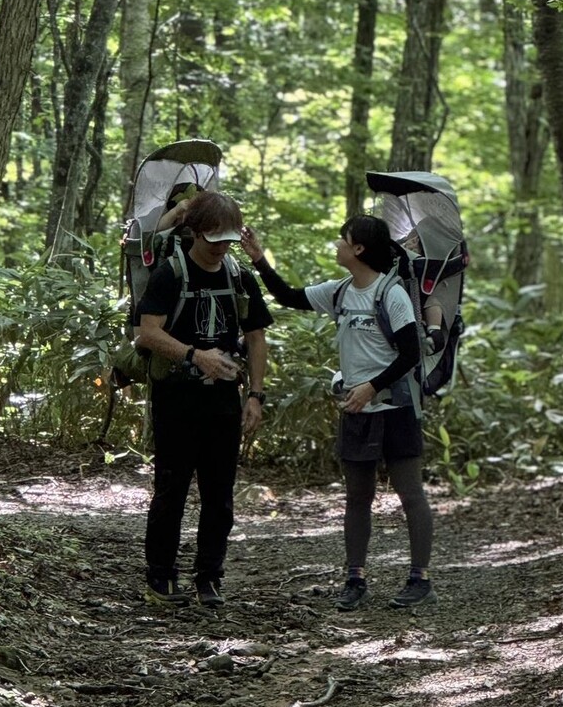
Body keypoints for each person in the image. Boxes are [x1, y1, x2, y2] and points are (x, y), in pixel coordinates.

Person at [239, 216, 436, 611]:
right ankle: (355, 578)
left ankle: (420, 578)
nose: (337, 244)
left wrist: (371, 387)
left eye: (342, 239)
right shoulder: (341, 292)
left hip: (394, 408)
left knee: (410, 493)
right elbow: (289, 296)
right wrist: (258, 258)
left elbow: (411, 353)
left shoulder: (390, 294)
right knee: (357, 497)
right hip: (356, 409)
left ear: (358, 249)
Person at [136, 189, 273, 608]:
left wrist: (255, 395)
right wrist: (197, 356)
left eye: (228, 241)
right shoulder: (171, 274)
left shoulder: (238, 277)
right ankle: (160, 578)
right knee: (171, 490)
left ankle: (209, 578)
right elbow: (148, 332)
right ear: (195, 232)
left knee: (220, 495)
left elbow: (256, 337)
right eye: (214, 239)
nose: (221, 248)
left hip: (223, 404)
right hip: (176, 398)